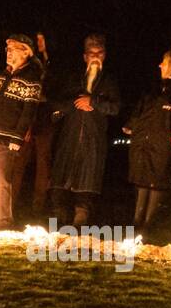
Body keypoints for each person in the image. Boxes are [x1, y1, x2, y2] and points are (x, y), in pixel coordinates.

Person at [0, 33, 44, 230]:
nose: (9, 54)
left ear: (25, 53)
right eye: (8, 50)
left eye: (13, 50)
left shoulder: (31, 80)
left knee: (4, 180)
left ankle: (2, 220)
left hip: (8, 138)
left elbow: (29, 111)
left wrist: (17, 137)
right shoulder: (2, 76)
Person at [47, 33, 120, 227]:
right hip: (68, 137)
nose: (95, 57)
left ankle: (80, 223)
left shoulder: (109, 81)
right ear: (85, 56)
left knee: (87, 182)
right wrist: (76, 103)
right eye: (91, 53)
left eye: (100, 53)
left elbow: (115, 108)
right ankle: (58, 223)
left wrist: (94, 102)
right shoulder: (73, 78)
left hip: (93, 140)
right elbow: (56, 103)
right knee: (61, 180)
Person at [123, 43, 171, 234]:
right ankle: (136, 221)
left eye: (164, 62)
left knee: (157, 180)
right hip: (143, 140)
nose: (159, 65)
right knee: (141, 179)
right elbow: (140, 109)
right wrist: (131, 125)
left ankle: (147, 225)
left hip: (162, 144)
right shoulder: (154, 88)